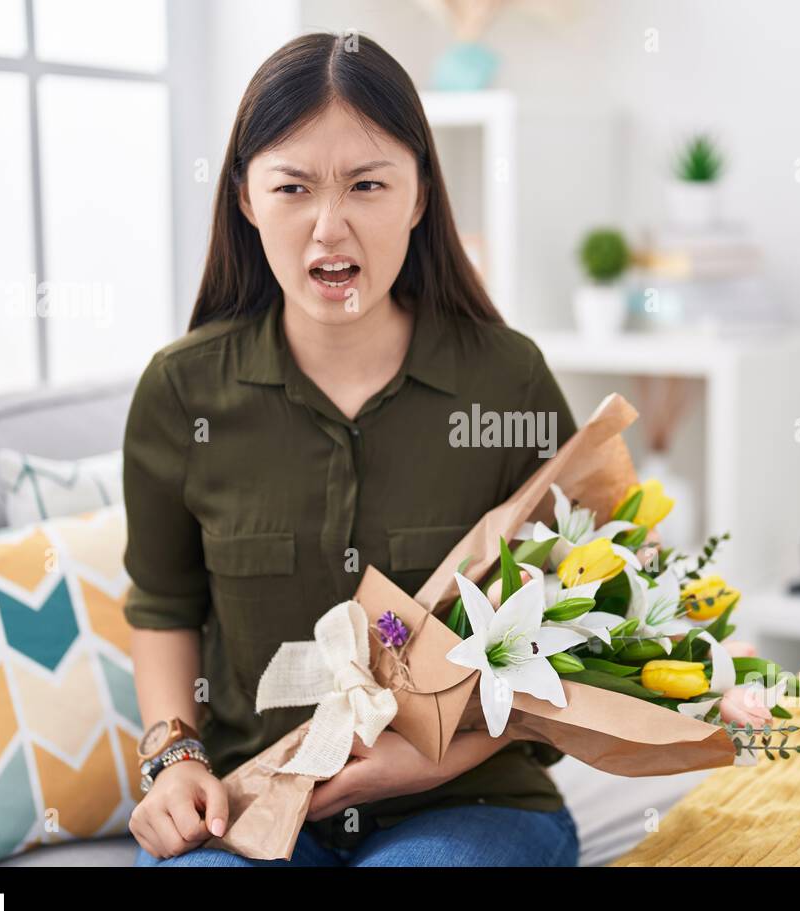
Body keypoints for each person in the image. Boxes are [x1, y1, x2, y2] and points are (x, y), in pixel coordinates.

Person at [125, 31, 580, 867]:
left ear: (418, 198)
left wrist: (428, 756)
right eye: (293, 187)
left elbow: (573, 618)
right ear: (247, 199)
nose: (329, 228)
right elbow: (162, 605)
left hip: (471, 802)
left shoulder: (507, 381)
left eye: (367, 185)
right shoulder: (181, 393)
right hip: (250, 805)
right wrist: (172, 758)